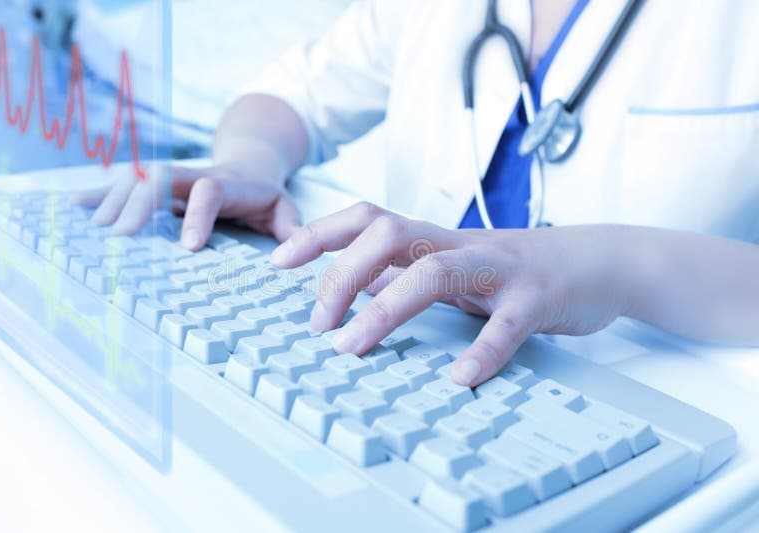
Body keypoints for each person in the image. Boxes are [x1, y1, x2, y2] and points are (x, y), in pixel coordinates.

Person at [81, 0, 759, 388]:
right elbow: (293, 94)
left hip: (667, 397)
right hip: (410, 361)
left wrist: (617, 263)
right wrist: (247, 159)